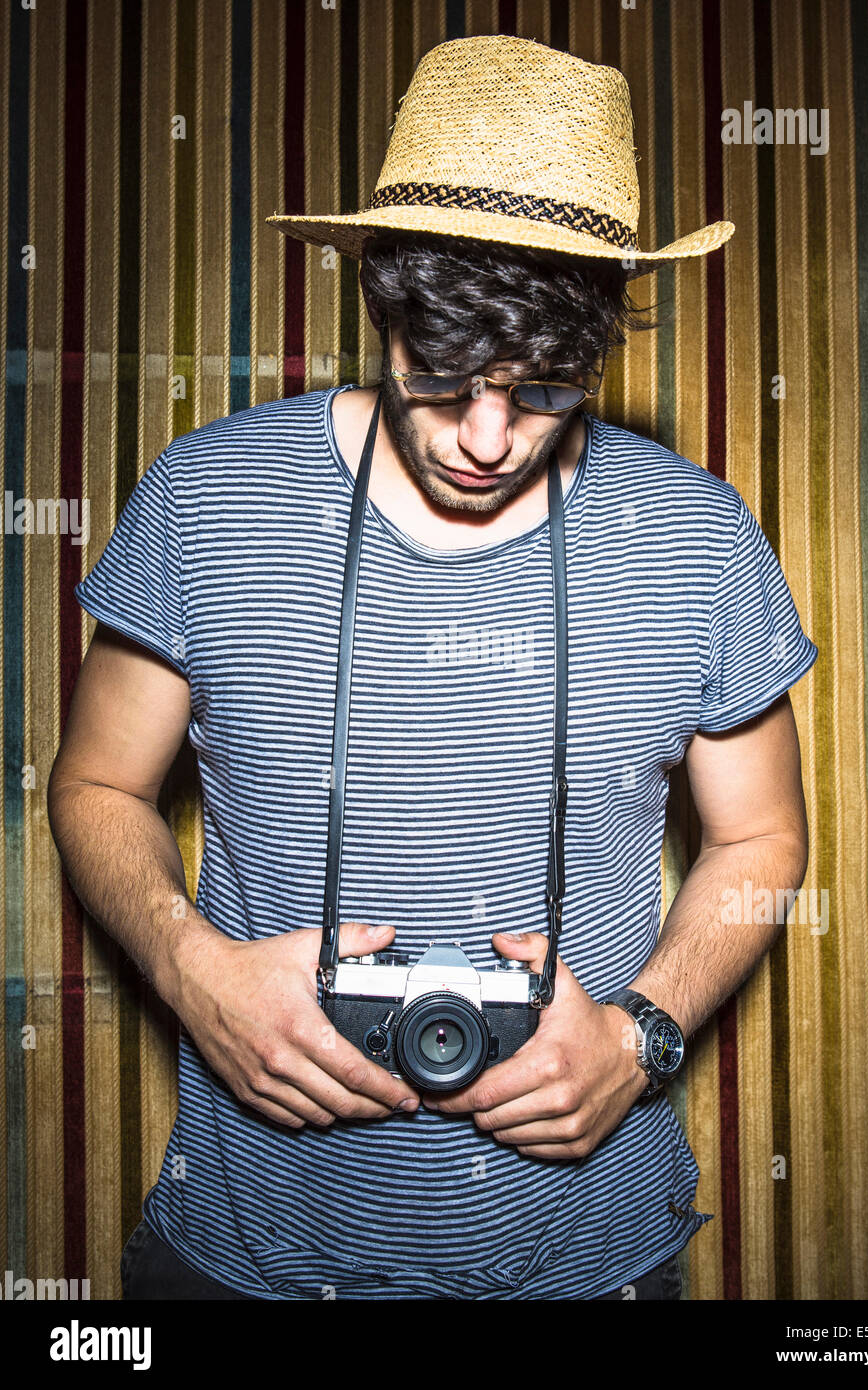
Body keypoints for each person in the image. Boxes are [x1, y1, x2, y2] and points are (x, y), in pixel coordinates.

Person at [48, 35, 816, 1301]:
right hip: (244, 1257)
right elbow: (91, 787)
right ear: (379, 302)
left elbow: (764, 841)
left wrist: (644, 1037)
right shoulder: (207, 498)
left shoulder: (699, 536)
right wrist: (196, 973)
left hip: (589, 1259)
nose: (485, 438)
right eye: (446, 375)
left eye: (544, 391)